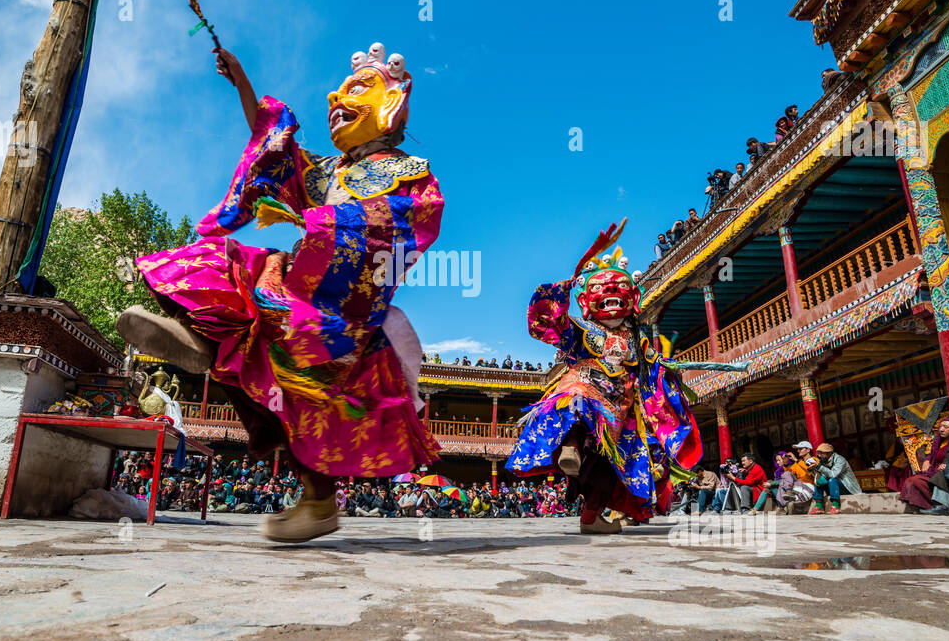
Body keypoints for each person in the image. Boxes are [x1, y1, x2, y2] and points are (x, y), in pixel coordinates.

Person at [116, 42, 443, 544]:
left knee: (297, 378)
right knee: (231, 268)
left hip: (343, 313)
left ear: (391, 102)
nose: (338, 99)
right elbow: (275, 146)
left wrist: (324, 220)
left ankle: (317, 498)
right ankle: (202, 341)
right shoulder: (330, 172)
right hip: (292, 280)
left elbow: (405, 225)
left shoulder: (409, 173)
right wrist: (244, 84)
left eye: (358, 89)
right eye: (338, 92)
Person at [506, 221, 707, 533]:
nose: (611, 292)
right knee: (576, 403)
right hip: (585, 387)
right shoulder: (584, 331)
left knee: (612, 465)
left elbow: (647, 366)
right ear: (587, 301)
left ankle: (593, 514)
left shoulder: (636, 337)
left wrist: (663, 369)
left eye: (619, 287)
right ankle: (571, 443)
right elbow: (547, 322)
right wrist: (567, 286)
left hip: (623, 408)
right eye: (601, 288)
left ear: (634, 298)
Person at [900, 417, 949, 510]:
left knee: (915, 481)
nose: (941, 429)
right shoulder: (938, 441)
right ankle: (929, 506)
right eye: (940, 426)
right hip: (933, 472)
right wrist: (927, 460)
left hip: (945, 473)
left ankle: (940, 505)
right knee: (911, 480)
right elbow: (932, 453)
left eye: (946, 427)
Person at [808, 442, 861, 514]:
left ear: (829, 453)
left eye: (821, 453)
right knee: (818, 482)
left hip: (848, 487)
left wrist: (819, 467)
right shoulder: (823, 461)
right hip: (833, 488)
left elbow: (833, 474)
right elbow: (821, 477)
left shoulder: (840, 460)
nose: (819, 455)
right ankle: (819, 506)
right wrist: (812, 470)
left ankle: (836, 506)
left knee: (832, 480)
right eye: (818, 453)